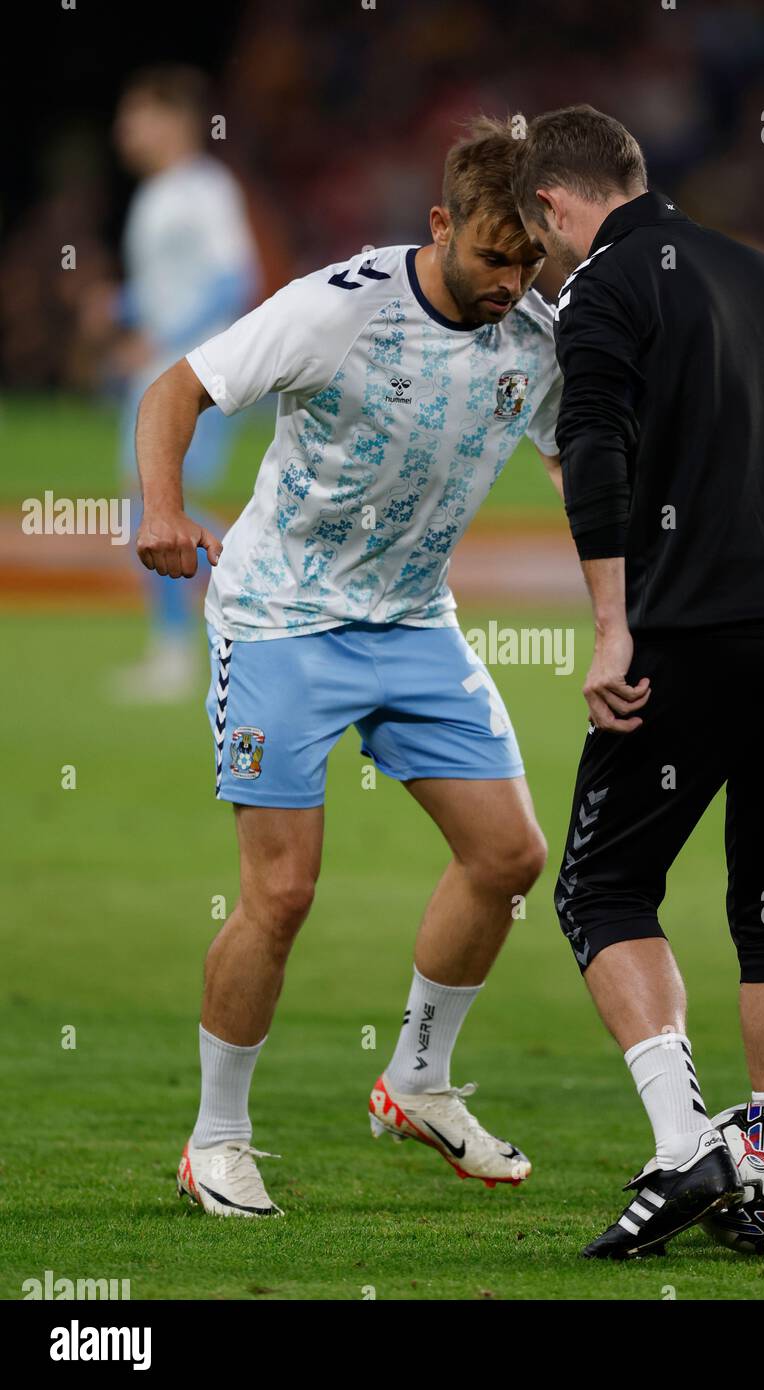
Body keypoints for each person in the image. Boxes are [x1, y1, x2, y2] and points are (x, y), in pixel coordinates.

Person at [133, 118, 564, 1216]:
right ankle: (215, 1140)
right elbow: (174, 387)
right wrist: (166, 509)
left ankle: (416, 1080)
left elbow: (576, 465)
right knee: (280, 892)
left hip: (414, 622)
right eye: (491, 258)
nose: (510, 282)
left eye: (529, 260)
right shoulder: (338, 306)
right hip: (279, 618)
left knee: (509, 855)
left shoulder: (536, 334)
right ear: (439, 226)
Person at [513, 105, 764, 1259]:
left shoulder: (604, 287)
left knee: (602, 885)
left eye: (536, 237)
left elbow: (592, 446)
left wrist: (609, 629)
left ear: (552, 207)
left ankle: (685, 1138)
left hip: (700, 631)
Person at [100, 66, 259, 700]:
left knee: (158, 504)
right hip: (160, 371)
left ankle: (188, 640)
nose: (124, 130)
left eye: (135, 115)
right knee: (156, 503)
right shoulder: (156, 194)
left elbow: (232, 280)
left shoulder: (205, 189)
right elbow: (168, 289)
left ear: (173, 121)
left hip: (196, 375)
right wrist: (119, 310)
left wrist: (164, 341)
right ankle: (209, 618)